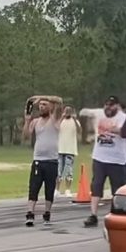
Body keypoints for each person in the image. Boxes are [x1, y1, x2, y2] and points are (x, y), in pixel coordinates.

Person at [84, 96, 126, 228]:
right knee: (96, 185)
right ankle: (93, 215)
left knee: (117, 188)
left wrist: (115, 129)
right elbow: (86, 112)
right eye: (106, 105)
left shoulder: (122, 117)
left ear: (117, 106)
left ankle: (117, 214)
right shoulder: (100, 114)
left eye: (111, 105)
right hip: (99, 157)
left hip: (117, 159)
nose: (108, 107)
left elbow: (125, 132)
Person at [23, 94, 64, 227]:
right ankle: (30, 213)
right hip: (38, 160)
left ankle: (47, 212)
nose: (41, 107)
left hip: (51, 160)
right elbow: (26, 136)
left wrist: (39, 97)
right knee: (34, 187)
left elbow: (59, 100)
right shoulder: (36, 121)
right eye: (40, 105)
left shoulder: (55, 119)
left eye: (44, 104)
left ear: (50, 106)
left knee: (49, 188)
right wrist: (27, 121)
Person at [57, 106, 81, 197]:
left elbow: (79, 131)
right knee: (58, 171)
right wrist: (62, 117)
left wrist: (75, 119)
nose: (67, 113)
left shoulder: (75, 122)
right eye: (66, 111)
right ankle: (57, 190)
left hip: (70, 149)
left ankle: (67, 189)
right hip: (60, 149)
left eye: (69, 111)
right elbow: (55, 129)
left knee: (68, 171)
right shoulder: (60, 121)